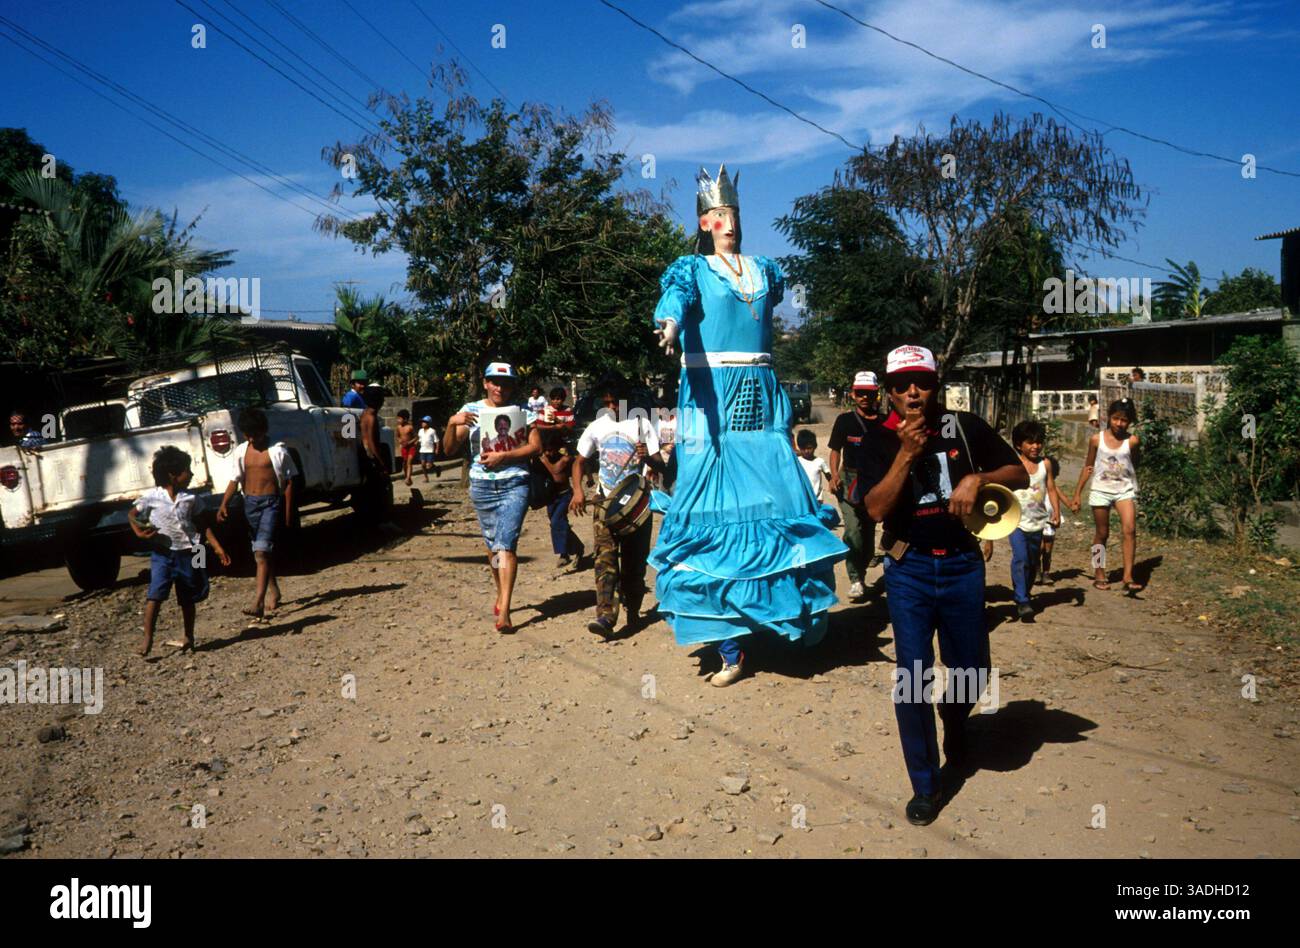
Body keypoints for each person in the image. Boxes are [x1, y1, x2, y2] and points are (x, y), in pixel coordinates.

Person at [649, 164, 846, 687]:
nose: (727, 223)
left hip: (760, 394)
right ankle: (730, 644)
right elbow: (677, 302)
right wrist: (669, 325)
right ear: (703, 222)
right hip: (710, 400)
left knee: (777, 505)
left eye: (733, 214)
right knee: (709, 510)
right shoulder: (690, 270)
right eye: (717, 215)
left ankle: (789, 624)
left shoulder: (765, 269)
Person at [850, 344, 1027, 826]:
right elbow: (876, 509)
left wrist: (977, 476)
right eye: (903, 383)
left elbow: (1020, 472)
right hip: (908, 570)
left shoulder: (963, 428)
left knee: (972, 668)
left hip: (964, 566)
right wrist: (906, 454)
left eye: (923, 382)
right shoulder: (876, 440)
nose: (913, 391)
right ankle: (925, 784)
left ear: (935, 387)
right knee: (913, 678)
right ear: (888, 391)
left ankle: (954, 717)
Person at [443, 362, 542, 634]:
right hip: (483, 487)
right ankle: (500, 592)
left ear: (513, 386)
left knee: (506, 544)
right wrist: (452, 423)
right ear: (486, 383)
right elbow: (450, 449)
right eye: (495, 382)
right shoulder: (471, 411)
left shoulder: (523, 411)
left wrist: (504, 456)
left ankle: (506, 611)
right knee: (492, 546)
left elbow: (536, 447)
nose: (500, 388)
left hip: (515, 484)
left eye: (506, 383)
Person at [571, 385, 664, 638]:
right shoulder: (597, 426)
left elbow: (661, 464)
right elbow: (579, 461)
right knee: (604, 560)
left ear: (627, 400)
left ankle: (633, 611)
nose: (612, 407)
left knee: (634, 562)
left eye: (616, 402)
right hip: (605, 501)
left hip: (636, 504)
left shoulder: (642, 425)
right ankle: (605, 616)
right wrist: (578, 491)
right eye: (607, 402)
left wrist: (647, 458)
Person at [128, 446, 230, 656]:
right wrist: (139, 532)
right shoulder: (151, 498)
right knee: (155, 595)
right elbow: (132, 515)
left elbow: (202, 526)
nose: (191, 474)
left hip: (191, 552)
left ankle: (188, 636)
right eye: (187, 470)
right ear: (172, 476)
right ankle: (147, 638)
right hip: (162, 554)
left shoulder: (191, 499)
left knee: (189, 596)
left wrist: (218, 547)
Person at [217, 406, 298, 619]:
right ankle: (274, 590)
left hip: (271, 503)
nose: (252, 438)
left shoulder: (278, 451)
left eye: (256, 434)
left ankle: (258, 602)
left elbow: (289, 483)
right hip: (249, 504)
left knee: (261, 552)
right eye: (248, 434)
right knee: (261, 553)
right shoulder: (242, 452)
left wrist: (289, 512)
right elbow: (234, 480)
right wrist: (224, 503)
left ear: (264, 430)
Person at [1072, 399, 1142, 592]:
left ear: (1130, 421)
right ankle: (1099, 572)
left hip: (1124, 490)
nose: (1119, 424)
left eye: (1124, 420)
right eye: (1116, 418)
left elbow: (1135, 464)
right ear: (1108, 418)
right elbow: (1088, 467)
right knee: (1102, 533)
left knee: (1129, 530)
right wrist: (1077, 493)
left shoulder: (1133, 441)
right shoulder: (1096, 440)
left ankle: (1128, 576)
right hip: (1100, 490)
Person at [828, 370, 882, 601]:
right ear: (852, 394)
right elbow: (834, 450)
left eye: (869, 393)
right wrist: (833, 475)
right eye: (860, 393)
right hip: (848, 483)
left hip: (874, 485)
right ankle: (855, 580)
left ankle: (860, 574)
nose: (864, 398)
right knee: (853, 531)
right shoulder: (845, 421)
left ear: (876, 395)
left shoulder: (885, 422)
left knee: (869, 539)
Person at [1006, 420, 1060, 622]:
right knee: (1020, 557)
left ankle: (1025, 592)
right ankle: (1022, 600)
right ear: (1019, 445)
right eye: (1030, 442)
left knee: (1031, 560)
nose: (1035, 446)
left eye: (1038, 442)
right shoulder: (1013, 465)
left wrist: (1056, 510)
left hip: (1038, 521)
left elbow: (1052, 488)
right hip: (1016, 521)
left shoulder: (1045, 465)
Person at [538, 428, 585, 567]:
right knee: (559, 524)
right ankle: (577, 548)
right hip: (552, 496)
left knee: (556, 522)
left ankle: (563, 553)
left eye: (551, 450)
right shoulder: (545, 457)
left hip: (565, 496)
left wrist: (543, 459)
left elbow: (554, 471)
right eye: (545, 450)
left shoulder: (564, 459)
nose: (548, 453)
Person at [1038, 456, 1065, 584]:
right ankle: (1036, 570)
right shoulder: (1037, 486)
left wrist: (1072, 504)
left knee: (1048, 549)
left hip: (1051, 520)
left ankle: (1046, 573)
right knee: (1039, 547)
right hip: (1039, 519)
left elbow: (1065, 500)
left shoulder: (1054, 488)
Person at [795, 429, 831, 502]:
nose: (806, 451)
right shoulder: (797, 461)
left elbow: (829, 476)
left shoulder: (819, 461)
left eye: (809, 448)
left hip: (817, 500)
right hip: (802, 499)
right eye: (803, 448)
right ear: (799, 447)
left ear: (815, 446)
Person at [395, 409, 418, 486]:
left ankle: (408, 477)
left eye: (400, 418)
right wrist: (400, 441)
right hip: (404, 447)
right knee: (404, 463)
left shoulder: (410, 427)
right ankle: (407, 476)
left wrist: (409, 442)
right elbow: (398, 436)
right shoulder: (398, 427)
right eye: (397, 418)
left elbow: (416, 437)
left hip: (411, 447)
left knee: (409, 462)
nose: (398, 420)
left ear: (405, 419)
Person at [417, 416, 440, 481]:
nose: (423, 424)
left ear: (428, 423)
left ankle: (436, 468)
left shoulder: (432, 431)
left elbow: (437, 441)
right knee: (423, 464)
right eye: (422, 422)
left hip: (430, 450)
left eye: (424, 422)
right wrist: (416, 443)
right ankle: (426, 478)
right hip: (422, 450)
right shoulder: (420, 431)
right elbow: (420, 439)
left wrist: (437, 449)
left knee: (429, 465)